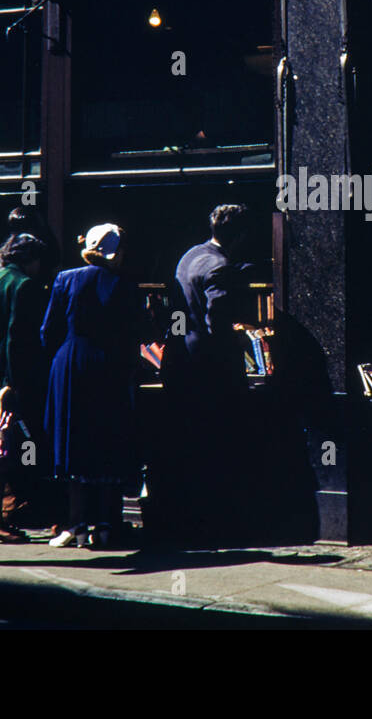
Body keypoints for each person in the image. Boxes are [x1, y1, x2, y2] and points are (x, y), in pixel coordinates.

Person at [155, 204, 252, 544]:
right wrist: (240, 340)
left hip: (178, 357)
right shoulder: (221, 266)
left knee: (185, 442)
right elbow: (217, 321)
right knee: (214, 443)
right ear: (239, 236)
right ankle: (212, 522)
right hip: (208, 366)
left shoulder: (189, 256)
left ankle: (184, 517)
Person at [42, 224, 140, 549]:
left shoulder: (64, 279)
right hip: (108, 366)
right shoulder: (124, 285)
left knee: (72, 442)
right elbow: (135, 332)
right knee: (107, 442)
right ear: (116, 252)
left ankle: (76, 524)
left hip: (69, 363)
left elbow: (48, 330)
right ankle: (106, 523)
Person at [0, 233, 47, 545]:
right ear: (31, 258)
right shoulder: (23, 285)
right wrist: (12, 384)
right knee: (4, 447)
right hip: (6, 374)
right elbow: (18, 339)